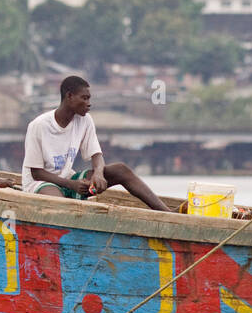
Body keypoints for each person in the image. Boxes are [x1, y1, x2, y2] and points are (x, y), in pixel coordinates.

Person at [22, 75, 169, 211]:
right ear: (69, 96)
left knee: (120, 170)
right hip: (40, 184)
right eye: (84, 98)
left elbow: (96, 154)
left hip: (68, 179)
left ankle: (167, 213)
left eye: (89, 99)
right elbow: (36, 173)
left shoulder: (85, 120)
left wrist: (98, 174)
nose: (88, 104)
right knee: (62, 206)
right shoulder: (39, 125)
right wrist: (71, 185)